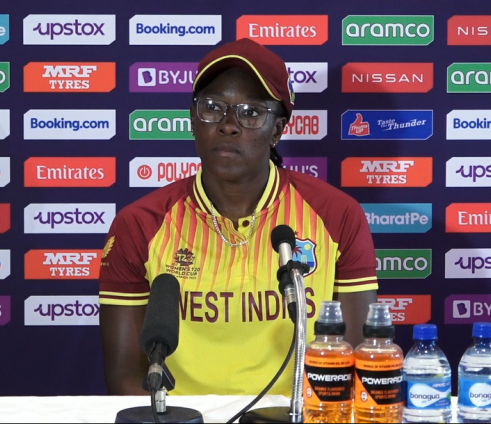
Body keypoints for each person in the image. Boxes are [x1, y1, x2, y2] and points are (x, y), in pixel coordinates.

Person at [99, 38, 378, 396]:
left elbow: (354, 361)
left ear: (277, 130)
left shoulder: (337, 214)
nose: (229, 125)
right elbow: (125, 372)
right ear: (192, 120)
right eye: (213, 107)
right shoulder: (140, 223)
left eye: (251, 112)